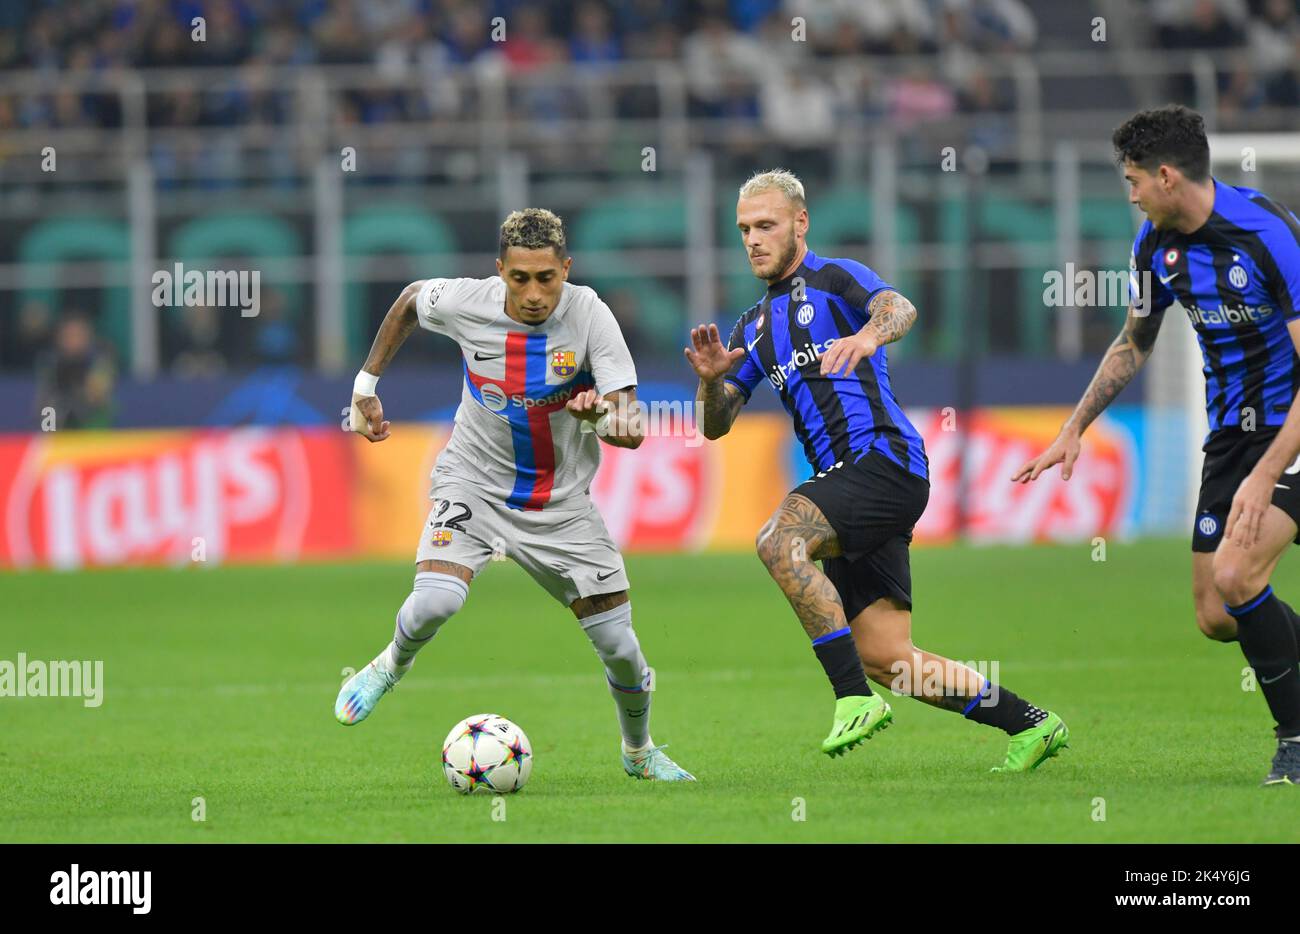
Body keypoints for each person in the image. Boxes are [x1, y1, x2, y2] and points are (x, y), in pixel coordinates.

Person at [688, 168, 1067, 768]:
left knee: (779, 538)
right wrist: (710, 384)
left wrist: (868, 336)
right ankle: (1032, 725)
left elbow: (899, 307)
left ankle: (850, 701)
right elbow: (715, 425)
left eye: (766, 225)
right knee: (888, 656)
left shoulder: (835, 279)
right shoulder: (751, 328)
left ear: (800, 223)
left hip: (884, 460)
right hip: (850, 483)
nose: (753, 239)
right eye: (743, 229)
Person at [335, 208, 694, 782]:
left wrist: (601, 413)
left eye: (546, 278)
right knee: (435, 602)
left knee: (621, 648)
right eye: (519, 277)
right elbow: (408, 300)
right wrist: (365, 384)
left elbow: (631, 427)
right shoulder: (464, 302)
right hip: (472, 482)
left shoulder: (591, 315)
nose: (533, 293)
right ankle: (388, 665)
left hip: (562, 508)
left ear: (566, 270)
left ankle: (639, 752)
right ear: (499, 269)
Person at [1015, 104, 1300, 786]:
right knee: (1214, 613)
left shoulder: (1268, 234)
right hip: (1232, 434)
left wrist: (1267, 475)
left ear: (1168, 176)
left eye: (1134, 180)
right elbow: (1133, 343)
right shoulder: (1154, 246)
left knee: (1238, 576)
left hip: (1292, 428)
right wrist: (1075, 426)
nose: (1132, 193)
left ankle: (1294, 740)